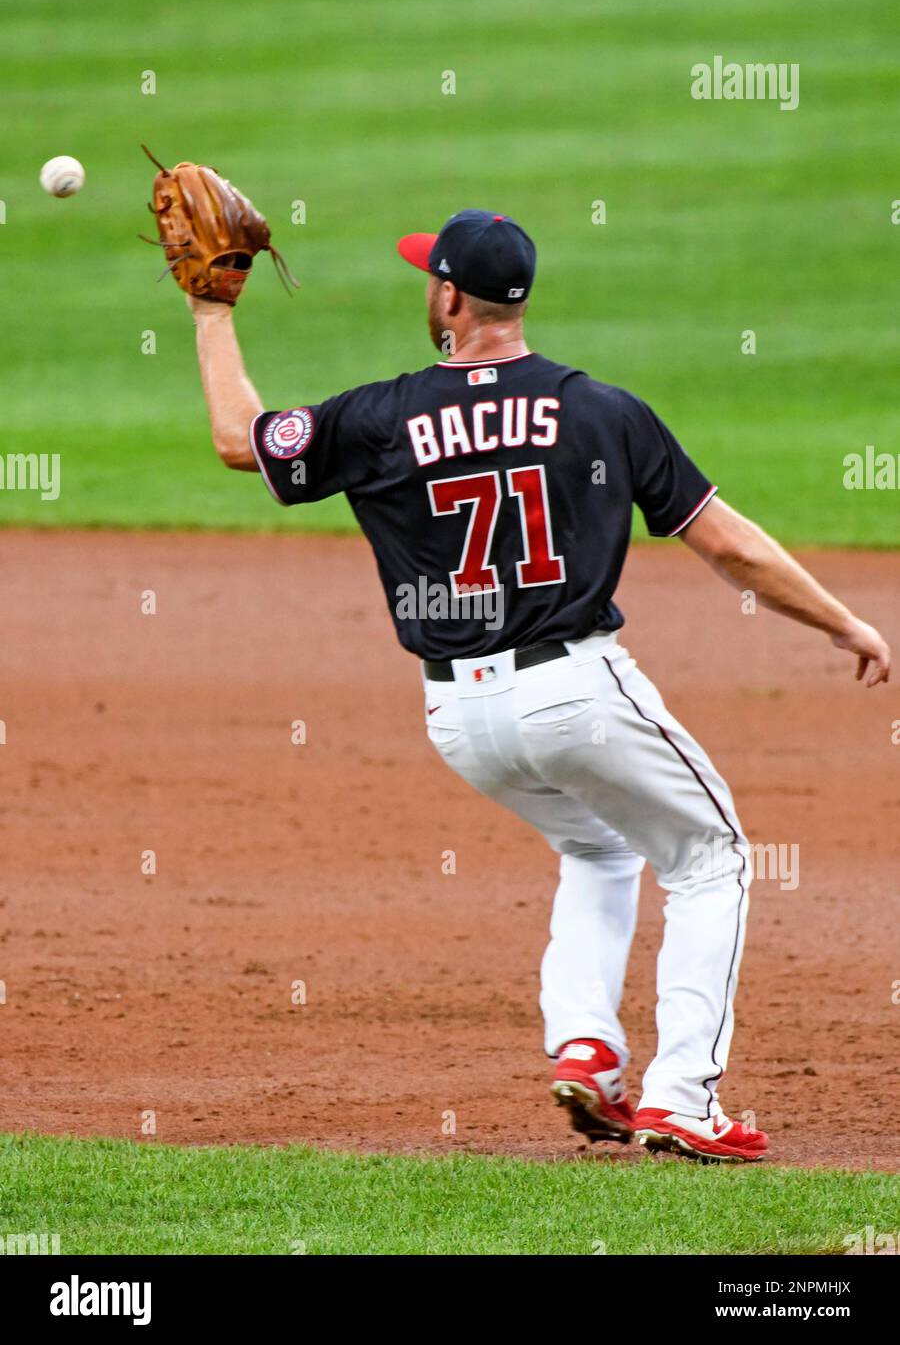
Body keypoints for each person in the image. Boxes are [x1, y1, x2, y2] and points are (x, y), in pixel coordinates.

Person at [187, 209, 890, 1162]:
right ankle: (682, 1098)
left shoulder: (377, 416)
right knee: (712, 857)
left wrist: (211, 311)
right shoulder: (601, 409)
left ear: (447, 296)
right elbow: (728, 546)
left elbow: (240, 439)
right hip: (576, 694)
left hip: (459, 715)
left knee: (599, 847)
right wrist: (843, 621)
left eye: (425, 278)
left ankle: (587, 1048)